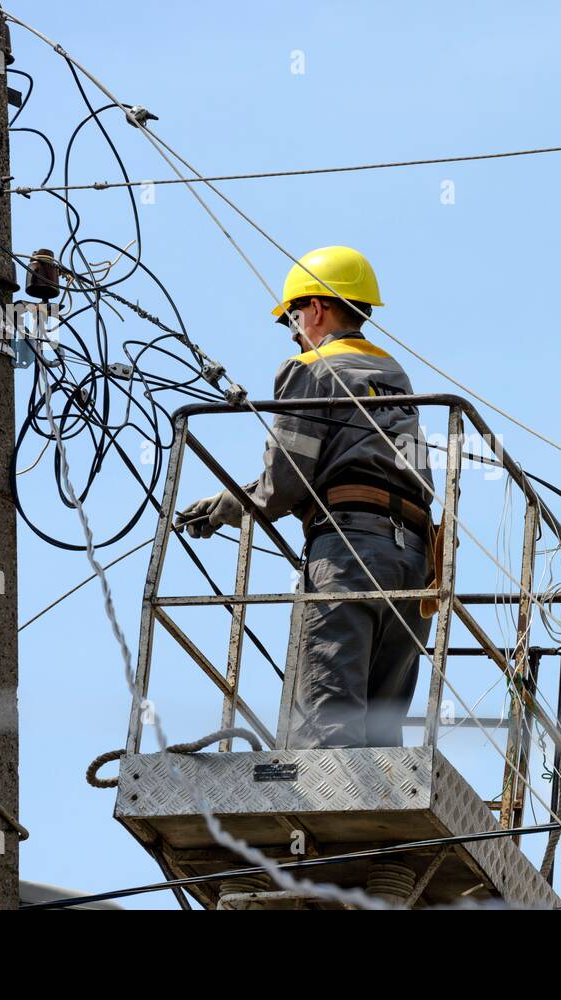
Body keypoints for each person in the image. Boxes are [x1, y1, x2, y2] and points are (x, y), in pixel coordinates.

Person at [177, 246, 435, 749]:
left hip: (350, 551)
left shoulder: (311, 368)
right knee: (381, 734)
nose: (293, 329)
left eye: (292, 317)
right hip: (414, 562)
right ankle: (382, 824)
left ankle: (327, 819)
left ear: (316, 308)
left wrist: (229, 506)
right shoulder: (395, 375)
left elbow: (285, 481)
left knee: (328, 730)